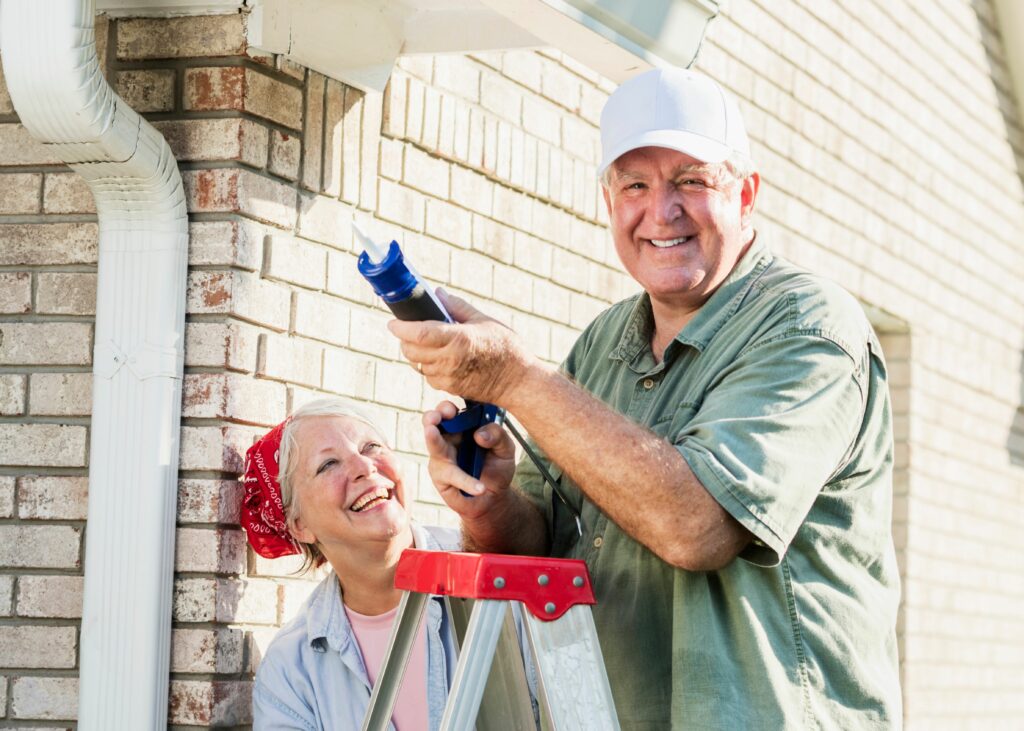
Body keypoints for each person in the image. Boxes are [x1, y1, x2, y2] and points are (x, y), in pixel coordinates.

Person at [389, 67, 902, 729]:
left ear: (746, 193)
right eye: (636, 183)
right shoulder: (605, 342)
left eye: (691, 178)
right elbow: (540, 539)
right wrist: (490, 502)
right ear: (610, 202)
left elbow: (697, 527)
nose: (662, 210)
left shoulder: (809, 328)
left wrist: (516, 378)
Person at [242, 398, 460, 731]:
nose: (364, 467)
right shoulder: (291, 671)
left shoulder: (493, 573)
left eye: (371, 446)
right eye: (328, 464)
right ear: (298, 525)